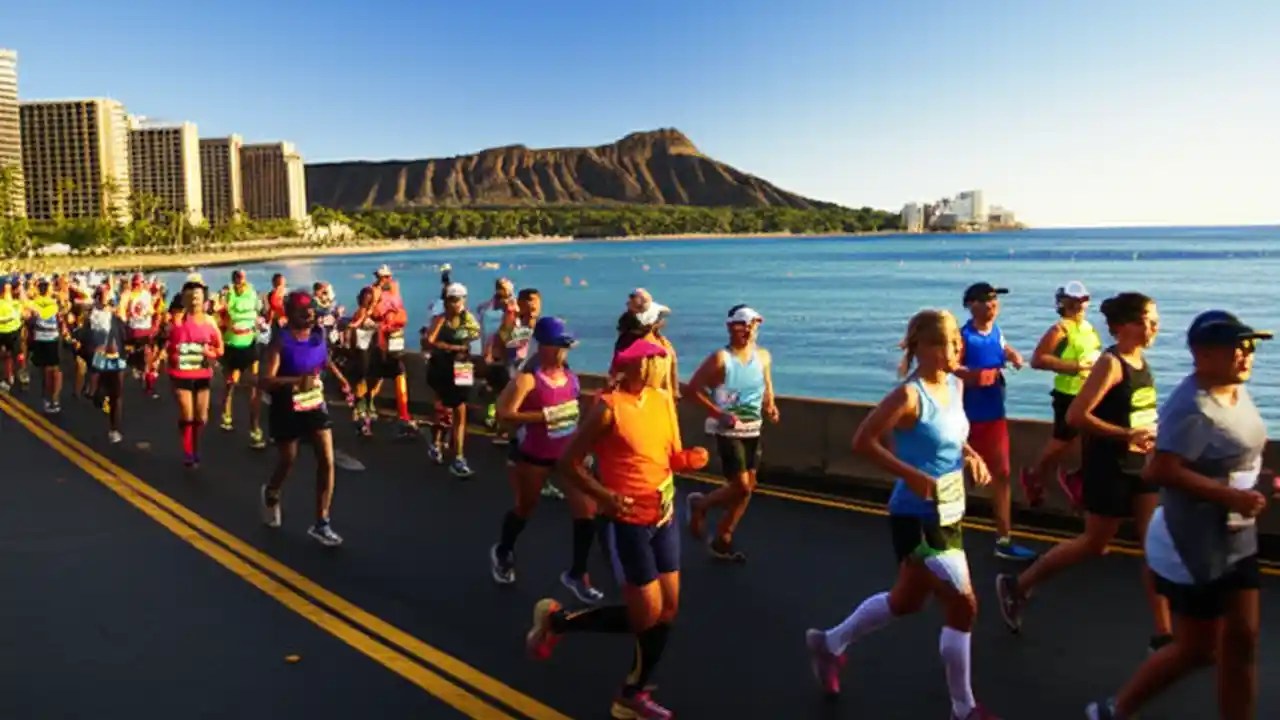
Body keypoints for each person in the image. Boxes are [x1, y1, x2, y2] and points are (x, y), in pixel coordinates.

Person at [804, 309, 999, 720]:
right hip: (916, 515)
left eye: (958, 343)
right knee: (964, 606)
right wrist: (909, 474)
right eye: (950, 343)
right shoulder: (909, 396)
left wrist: (972, 455)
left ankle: (829, 643)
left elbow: (952, 437)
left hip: (949, 509)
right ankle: (964, 708)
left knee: (906, 602)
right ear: (925, 348)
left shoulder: (954, 385)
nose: (958, 348)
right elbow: (863, 440)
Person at [1086, 311, 1272, 720]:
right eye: (1236, 347)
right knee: (1198, 650)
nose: (1246, 356)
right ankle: (1115, 710)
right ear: (1202, 354)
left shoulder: (1235, 391)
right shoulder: (1193, 407)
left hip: (1236, 537)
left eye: (1250, 347)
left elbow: (1231, 455)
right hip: (1192, 542)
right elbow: (1159, 470)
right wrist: (1227, 494)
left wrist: (1261, 482)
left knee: (1243, 642)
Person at [525, 339, 708, 720]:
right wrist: (604, 497)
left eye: (659, 359)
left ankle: (632, 693)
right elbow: (569, 462)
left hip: (664, 513)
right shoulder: (609, 409)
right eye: (650, 360)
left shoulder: (662, 401)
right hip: (626, 521)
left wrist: (688, 460)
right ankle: (557, 622)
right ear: (631, 366)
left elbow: (669, 455)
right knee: (645, 615)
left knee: (668, 609)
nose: (658, 364)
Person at [997, 293, 1171, 651]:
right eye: (1147, 320)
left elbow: (1139, 413)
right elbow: (1077, 416)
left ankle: (1164, 633)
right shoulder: (1111, 364)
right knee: (1094, 542)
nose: (1155, 326)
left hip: (1141, 466)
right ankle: (1018, 586)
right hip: (1109, 466)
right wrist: (1125, 435)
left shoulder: (1142, 362)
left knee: (1153, 541)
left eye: (1155, 319)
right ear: (1124, 327)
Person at [489, 316, 604, 602]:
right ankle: (503, 551)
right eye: (561, 345)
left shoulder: (570, 376)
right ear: (545, 347)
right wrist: (543, 416)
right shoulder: (528, 379)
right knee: (525, 508)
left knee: (586, 512)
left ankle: (578, 573)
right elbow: (503, 414)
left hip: (567, 457)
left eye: (567, 345)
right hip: (533, 455)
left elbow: (572, 412)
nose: (565, 351)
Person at [684, 305, 780, 562]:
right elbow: (691, 390)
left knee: (748, 488)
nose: (748, 332)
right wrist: (719, 414)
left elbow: (767, 385)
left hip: (754, 428)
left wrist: (770, 405)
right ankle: (701, 506)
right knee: (741, 485)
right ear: (730, 327)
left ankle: (723, 536)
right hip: (728, 431)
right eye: (742, 326)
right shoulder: (720, 359)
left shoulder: (763, 356)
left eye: (753, 326)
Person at [258, 290, 351, 547]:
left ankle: (322, 522)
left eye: (311, 310)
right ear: (290, 314)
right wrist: (296, 381)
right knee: (288, 459)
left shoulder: (318, 335)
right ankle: (272, 491)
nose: (309, 314)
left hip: (314, 403)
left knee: (327, 459)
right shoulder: (280, 342)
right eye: (303, 311)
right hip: (285, 406)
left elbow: (324, 359)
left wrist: (341, 380)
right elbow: (264, 380)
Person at [955, 282, 1037, 561]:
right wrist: (975, 377)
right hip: (966, 420)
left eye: (994, 301)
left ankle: (1004, 540)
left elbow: (1000, 347)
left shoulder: (996, 332)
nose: (992, 305)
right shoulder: (963, 337)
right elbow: (949, 367)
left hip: (994, 417)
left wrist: (1011, 355)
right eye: (985, 301)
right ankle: (940, 534)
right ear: (970, 305)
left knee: (1001, 477)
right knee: (958, 479)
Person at [1022, 281, 1101, 509]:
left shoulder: (1088, 328)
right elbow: (1038, 360)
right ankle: (1034, 474)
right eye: (1074, 301)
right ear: (1063, 303)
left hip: (1090, 393)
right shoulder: (1060, 329)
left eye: (1083, 300)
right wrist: (1075, 366)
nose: (1080, 305)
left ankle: (1076, 477)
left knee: (1093, 441)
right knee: (1061, 441)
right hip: (1067, 394)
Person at [423, 281, 481, 476]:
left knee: (460, 410)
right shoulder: (441, 319)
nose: (456, 304)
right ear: (446, 302)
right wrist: (452, 348)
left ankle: (458, 456)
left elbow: (476, 337)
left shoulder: (468, 319)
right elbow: (429, 341)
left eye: (459, 300)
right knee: (442, 410)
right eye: (452, 300)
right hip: (442, 368)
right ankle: (436, 442)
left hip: (462, 367)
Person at [166, 280, 224, 468]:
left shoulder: (209, 321)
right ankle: (188, 450)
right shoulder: (177, 319)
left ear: (203, 299)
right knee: (187, 414)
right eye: (191, 296)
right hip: (181, 373)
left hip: (202, 373)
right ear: (184, 298)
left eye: (198, 296)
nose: (195, 300)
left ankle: (195, 446)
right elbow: (164, 341)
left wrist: (211, 353)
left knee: (201, 418)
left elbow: (220, 349)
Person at [219, 269, 266, 448]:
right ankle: (226, 415)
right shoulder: (227, 293)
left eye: (243, 277)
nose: (241, 279)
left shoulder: (252, 291)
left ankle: (255, 429)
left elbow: (260, 311)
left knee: (253, 387)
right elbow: (219, 313)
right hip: (232, 344)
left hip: (250, 343)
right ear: (233, 279)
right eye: (238, 277)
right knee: (231, 383)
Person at [369, 265, 416, 438]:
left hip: (395, 339)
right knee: (376, 375)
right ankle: (365, 407)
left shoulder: (395, 289)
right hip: (381, 339)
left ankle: (403, 413)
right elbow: (372, 313)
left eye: (387, 277)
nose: (385, 280)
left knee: (399, 372)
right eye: (382, 277)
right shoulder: (373, 291)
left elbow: (401, 312)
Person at [81, 283, 128, 443]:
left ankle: (114, 429)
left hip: (116, 358)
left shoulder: (116, 316)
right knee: (96, 393)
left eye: (107, 294)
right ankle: (98, 398)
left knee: (117, 394)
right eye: (101, 294)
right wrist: (91, 350)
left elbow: (124, 334)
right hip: (99, 357)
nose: (104, 297)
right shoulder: (91, 316)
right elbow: (85, 336)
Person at [476, 277, 516, 433]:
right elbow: (483, 332)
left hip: (512, 356)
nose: (504, 295)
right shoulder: (485, 309)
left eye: (506, 291)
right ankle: (493, 419)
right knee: (495, 387)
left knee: (505, 389)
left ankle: (500, 421)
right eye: (501, 290)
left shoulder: (515, 309)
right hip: (492, 355)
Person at [346, 286, 380, 436]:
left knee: (367, 383)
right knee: (363, 384)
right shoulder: (362, 312)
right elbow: (355, 326)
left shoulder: (369, 312)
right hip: (362, 351)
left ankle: (362, 416)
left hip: (367, 350)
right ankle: (361, 419)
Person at [26, 277, 64, 413]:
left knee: (46, 372)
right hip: (50, 339)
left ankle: (48, 399)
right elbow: (62, 317)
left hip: (41, 339)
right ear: (48, 289)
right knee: (53, 371)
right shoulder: (54, 303)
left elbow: (29, 319)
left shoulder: (35, 303)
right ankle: (52, 399)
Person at [0, 277, 25, 391]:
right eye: (6, 288)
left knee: (14, 355)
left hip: (12, 332)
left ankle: (18, 374)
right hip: (6, 332)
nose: (8, 290)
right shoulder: (12, 303)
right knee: (9, 356)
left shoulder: (14, 302)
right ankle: (11, 376)